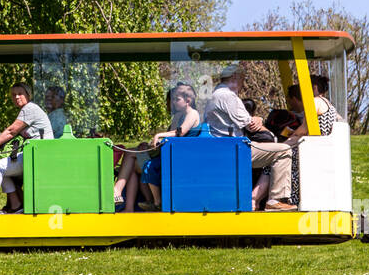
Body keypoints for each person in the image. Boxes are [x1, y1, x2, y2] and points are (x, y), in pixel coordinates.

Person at [203, 65, 296, 211]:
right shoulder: (228, 96)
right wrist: (260, 122)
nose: (243, 84)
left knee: (271, 152)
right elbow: (251, 125)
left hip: (222, 147)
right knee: (283, 150)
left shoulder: (215, 94)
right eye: (242, 80)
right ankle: (275, 199)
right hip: (234, 149)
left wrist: (254, 119)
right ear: (234, 77)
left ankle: (256, 198)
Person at [115, 82, 200, 212]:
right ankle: (128, 203)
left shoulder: (192, 114)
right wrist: (150, 144)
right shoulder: (178, 116)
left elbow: (179, 133)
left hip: (178, 159)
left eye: (176, 99)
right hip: (169, 156)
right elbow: (166, 139)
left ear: (188, 100)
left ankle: (132, 197)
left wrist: (158, 135)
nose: (173, 103)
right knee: (131, 159)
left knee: (131, 158)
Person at [0, 83, 52, 214]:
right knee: (3, 169)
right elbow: (9, 138)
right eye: (13, 95)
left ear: (28, 95)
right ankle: (16, 206)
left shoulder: (30, 108)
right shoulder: (27, 110)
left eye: (20, 93)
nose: (17, 97)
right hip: (35, 156)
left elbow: (11, 131)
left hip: (38, 156)